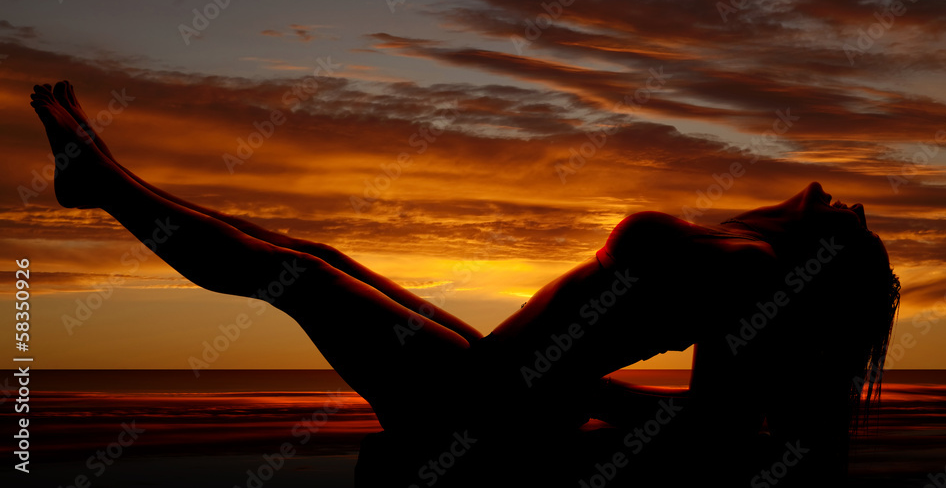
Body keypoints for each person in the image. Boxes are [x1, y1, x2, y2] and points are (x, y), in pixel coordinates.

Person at [30, 81, 900, 487]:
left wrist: (584, 394)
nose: (846, 200)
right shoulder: (744, 243)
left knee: (291, 277)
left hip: (481, 410)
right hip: (495, 372)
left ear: (829, 266)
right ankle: (108, 172)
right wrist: (586, 382)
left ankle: (99, 182)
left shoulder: (757, 273)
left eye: (857, 226)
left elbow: (714, 432)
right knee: (322, 253)